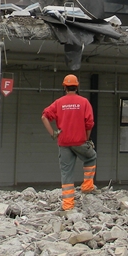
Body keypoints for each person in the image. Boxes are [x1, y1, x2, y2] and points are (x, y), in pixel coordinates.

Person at [41, 74, 97, 210]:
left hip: (64, 142)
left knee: (66, 173)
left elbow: (44, 117)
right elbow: (89, 123)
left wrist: (53, 134)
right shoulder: (84, 102)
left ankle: (67, 205)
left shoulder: (59, 102)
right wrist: (87, 138)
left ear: (64, 87)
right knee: (91, 157)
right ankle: (87, 186)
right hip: (79, 141)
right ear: (77, 87)